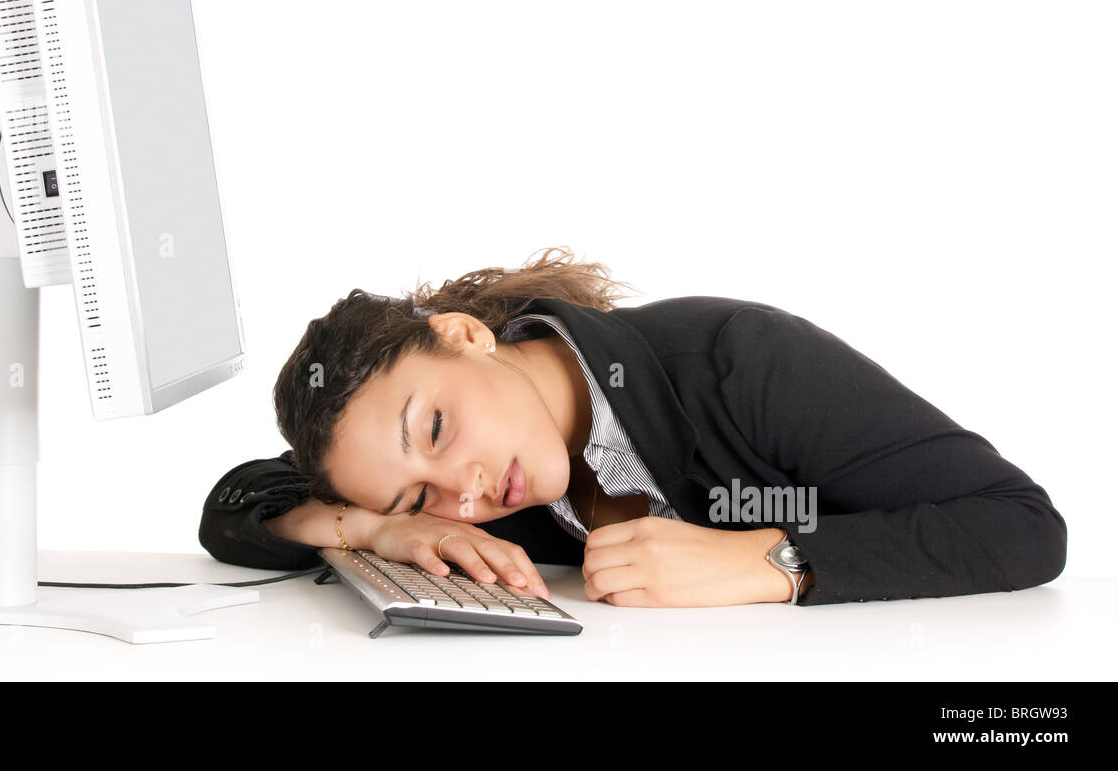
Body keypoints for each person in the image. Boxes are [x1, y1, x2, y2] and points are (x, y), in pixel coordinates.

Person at [198, 246, 1067, 607]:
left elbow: (1022, 525)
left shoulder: (744, 359)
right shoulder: (464, 493)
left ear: (463, 337)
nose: (462, 491)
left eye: (434, 428)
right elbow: (235, 504)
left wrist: (767, 561)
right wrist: (381, 524)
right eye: (422, 489)